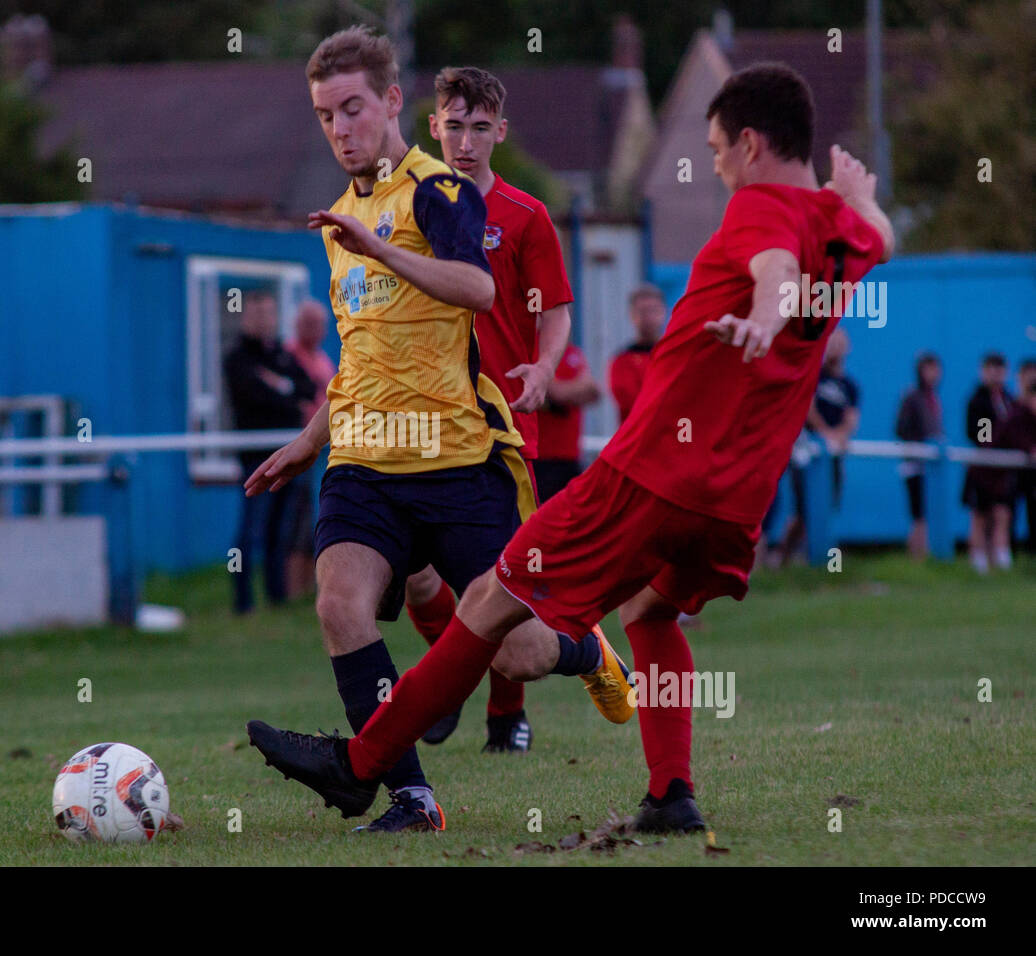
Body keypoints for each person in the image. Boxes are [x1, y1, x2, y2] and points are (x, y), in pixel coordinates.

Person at [248, 62, 895, 835]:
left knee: (489, 611)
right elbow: (877, 241)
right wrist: (862, 200)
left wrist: (763, 314)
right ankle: (671, 794)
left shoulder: (762, 211)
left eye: (718, 150)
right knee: (651, 612)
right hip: (737, 498)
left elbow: (775, 267)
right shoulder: (842, 225)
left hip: (651, 474)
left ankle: (361, 766)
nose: (717, 167)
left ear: (752, 145)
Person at [242, 26, 632, 833]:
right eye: (324, 116)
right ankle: (412, 798)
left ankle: (587, 650)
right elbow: (362, 354)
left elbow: (477, 289)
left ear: (391, 103)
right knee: (340, 606)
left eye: (353, 108)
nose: (340, 129)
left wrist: (380, 251)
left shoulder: (440, 194)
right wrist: (308, 442)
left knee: (516, 651)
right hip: (362, 461)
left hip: (455, 458)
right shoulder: (339, 218)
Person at [401, 65, 575, 755]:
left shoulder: (526, 217)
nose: (465, 141)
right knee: (415, 577)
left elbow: (556, 308)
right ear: (434, 129)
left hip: (500, 428)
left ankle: (506, 716)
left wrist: (543, 364)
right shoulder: (406, 208)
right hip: (419, 420)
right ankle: (447, 685)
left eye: (480, 128)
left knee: (496, 582)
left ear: (500, 133)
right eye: (454, 126)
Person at [224, 289, 315, 613]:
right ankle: (243, 602)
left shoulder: (281, 354)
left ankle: (278, 599)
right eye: (258, 314)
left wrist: (279, 385)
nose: (264, 321)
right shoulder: (237, 357)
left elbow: (307, 387)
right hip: (254, 457)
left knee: (282, 530)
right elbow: (253, 397)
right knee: (251, 530)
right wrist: (283, 391)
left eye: (269, 314)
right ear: (246, 317)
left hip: (288, 455)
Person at [772, 327, 860, 563]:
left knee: (827, 507)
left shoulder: (850, 385)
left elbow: (852, 418)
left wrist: (838, 436)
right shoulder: (813, 375)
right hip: (807, 453)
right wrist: (825, 434)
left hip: (833, 457)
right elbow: (807, 408)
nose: (837, 348)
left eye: (842, 343)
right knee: (802, 512)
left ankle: (815, 560)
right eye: (833, 342)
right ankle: (782, 557)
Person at [284, 300, 338, 597]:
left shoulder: (322, 359)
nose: (315, 330)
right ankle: (292, 592)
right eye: (308, 324)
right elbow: (297, 397)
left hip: (324, 450)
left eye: (319, 325)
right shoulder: (290, 357)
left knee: (314, 517)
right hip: (300, 446)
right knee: (298, 518)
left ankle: (309, 590)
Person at [962, 353, 1016, 572]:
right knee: (980, 514)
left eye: (999, 370)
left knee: (1002, 512)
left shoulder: (1009, 400)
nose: (995, 375)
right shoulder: (978, 400)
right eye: (991, 369)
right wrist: (993, 442)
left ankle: (1000, 556)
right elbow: (980, 434)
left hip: (1003, 468)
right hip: (983, 467)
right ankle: (978, 557)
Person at [893, 353, 944, 559]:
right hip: (914, 464)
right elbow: (900, 428)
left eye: (936, 369)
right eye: (929, 369)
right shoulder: (912, 396)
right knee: (919, 514)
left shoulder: (933, 398)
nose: (933, 374)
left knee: (926, 512)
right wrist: (921, 443)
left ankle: (922, 555)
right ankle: (916, 556)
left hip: (929, 464)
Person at [536, 343, 602, 501]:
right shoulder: (534, 348)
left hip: (571, 457)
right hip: (541, 459)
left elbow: (594, 391)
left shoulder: (573, 352)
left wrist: (558, 394)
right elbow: (549, 390)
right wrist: (573, 392)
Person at [609, 284, 666, 425]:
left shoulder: (676, 357)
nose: (649, 317)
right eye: (643, 311)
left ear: (664, 312)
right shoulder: (621, 362)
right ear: (632, 315)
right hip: (637, 442)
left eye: (654, 310)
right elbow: (635, 403)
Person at [1001, 361, 1036, 553]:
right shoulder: (1005, 402)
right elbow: (985, 428)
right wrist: (987, 444)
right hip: (1004, 468)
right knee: (1004, 511)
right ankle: (1006, 550)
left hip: (1029, 469)